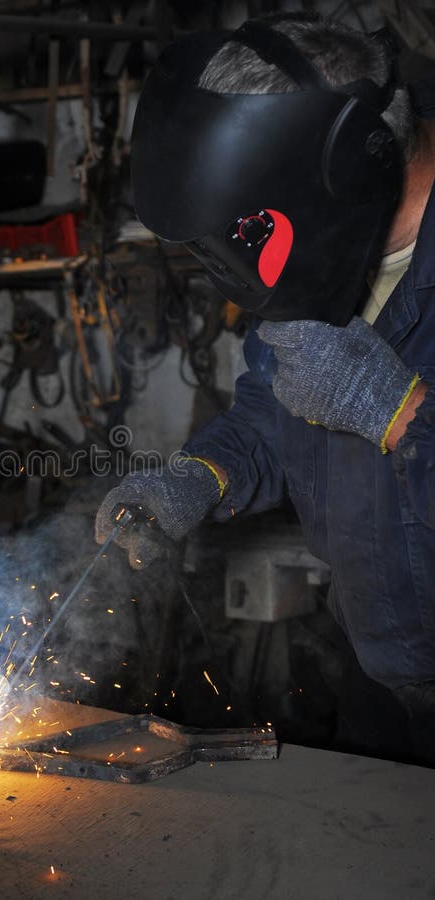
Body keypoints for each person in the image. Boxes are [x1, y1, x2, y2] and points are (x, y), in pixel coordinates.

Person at [96, 12, 435, 753]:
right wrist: (199, 477)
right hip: (379, 678)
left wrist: (402, 414)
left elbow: (373, 408)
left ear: (347, 166)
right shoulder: (322, 252)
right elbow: (272, 412)